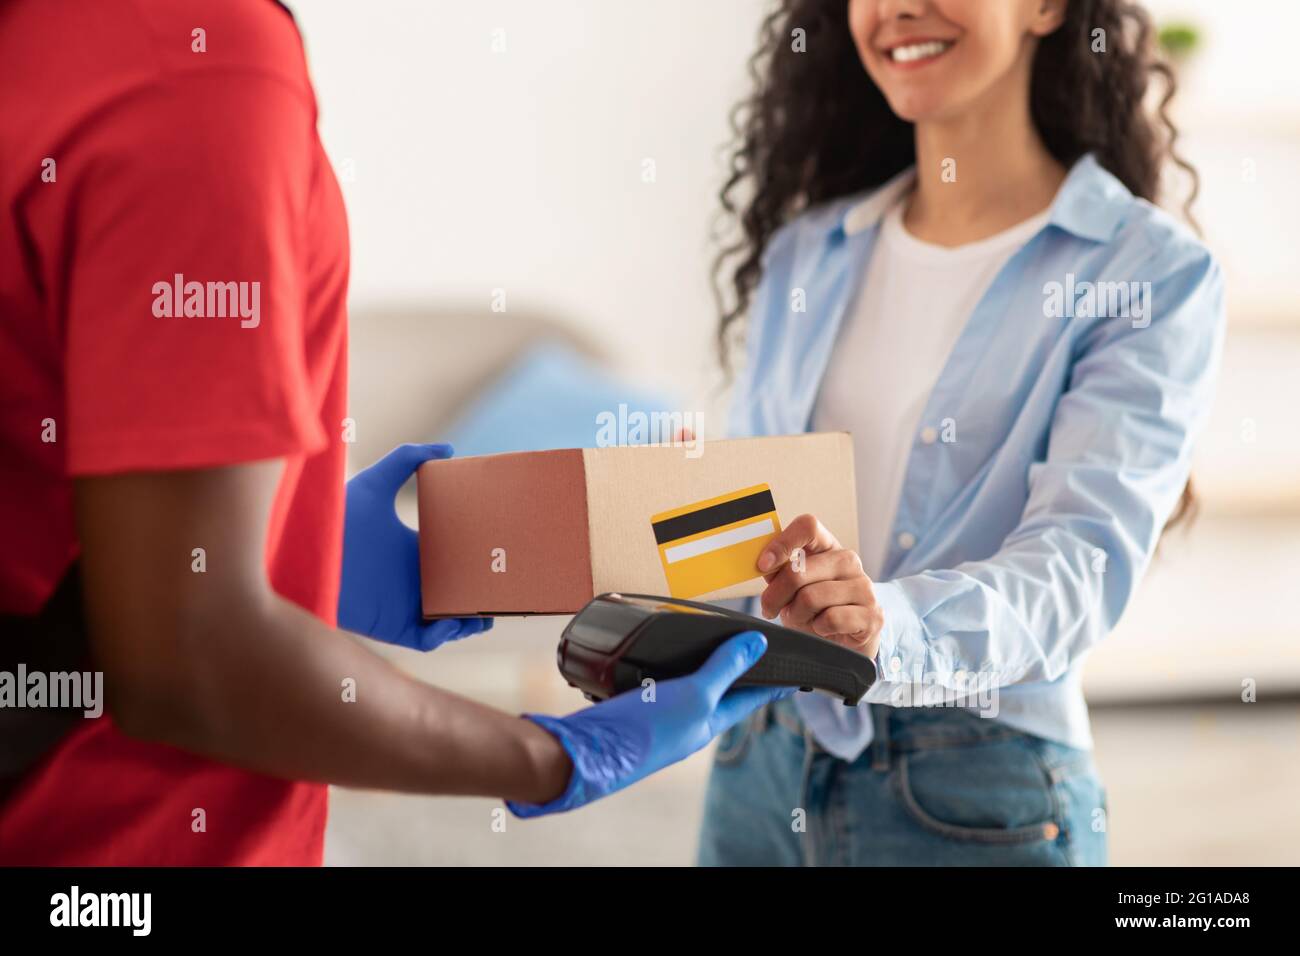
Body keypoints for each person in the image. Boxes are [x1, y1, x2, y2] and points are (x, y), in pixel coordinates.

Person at [0, 0, 786, 865]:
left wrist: (289, 555)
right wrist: (555, 756)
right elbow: (190, 659)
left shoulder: (63, 41)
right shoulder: (198, 64)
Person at [698, 0, 1225, 866]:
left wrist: (886, 630)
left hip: (976, 783)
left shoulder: (1147, 272)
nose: (899, 8)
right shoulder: (809, 252)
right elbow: (743, 519)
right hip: (760, 758)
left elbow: (1077, 564)